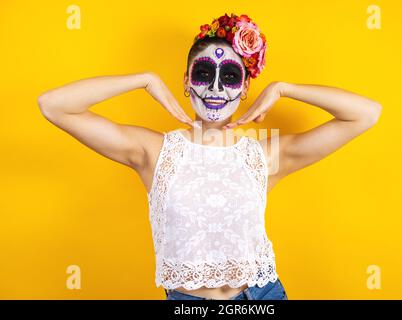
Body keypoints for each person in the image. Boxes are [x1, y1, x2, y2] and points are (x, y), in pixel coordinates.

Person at [37, 13, 382, 300]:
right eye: (203, 74)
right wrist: (145, 80)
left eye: (230, 77)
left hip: (262, 298)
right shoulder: (154, 152)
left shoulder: (263, 155)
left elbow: (366, 113)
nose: (216, 89)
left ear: (245, 88)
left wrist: (283, 88)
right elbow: (54, 105)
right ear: (186, 82)